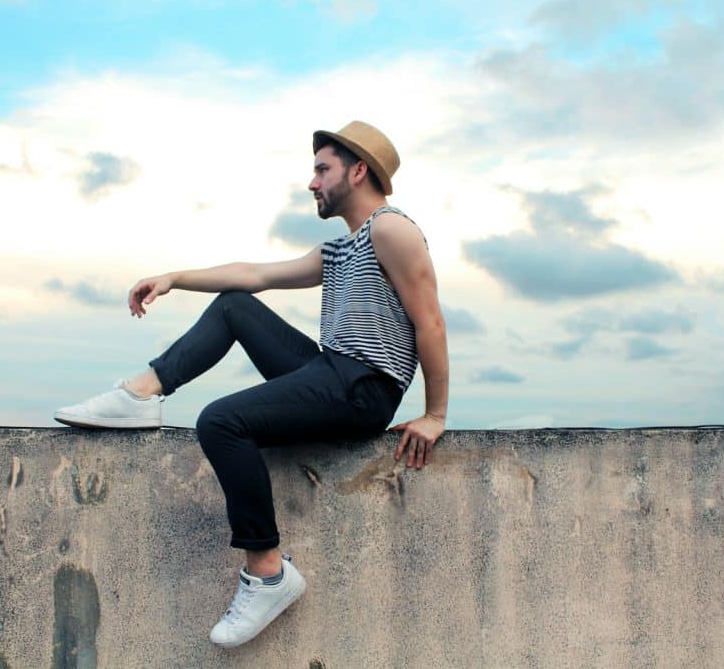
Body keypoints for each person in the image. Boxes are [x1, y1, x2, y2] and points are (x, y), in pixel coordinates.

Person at [54, 120, 449, 648]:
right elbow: (255, 275)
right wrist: (176, 277)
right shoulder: (340, 250)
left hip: (362, 389)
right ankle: (140, 394)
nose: (312, 183)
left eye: (321, 169)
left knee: (220, 421)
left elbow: (431, 322)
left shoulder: (391, 230)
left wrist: (435, 414)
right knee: (237, 306)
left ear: (358, 171)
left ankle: (268, 572)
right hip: (329, 370)